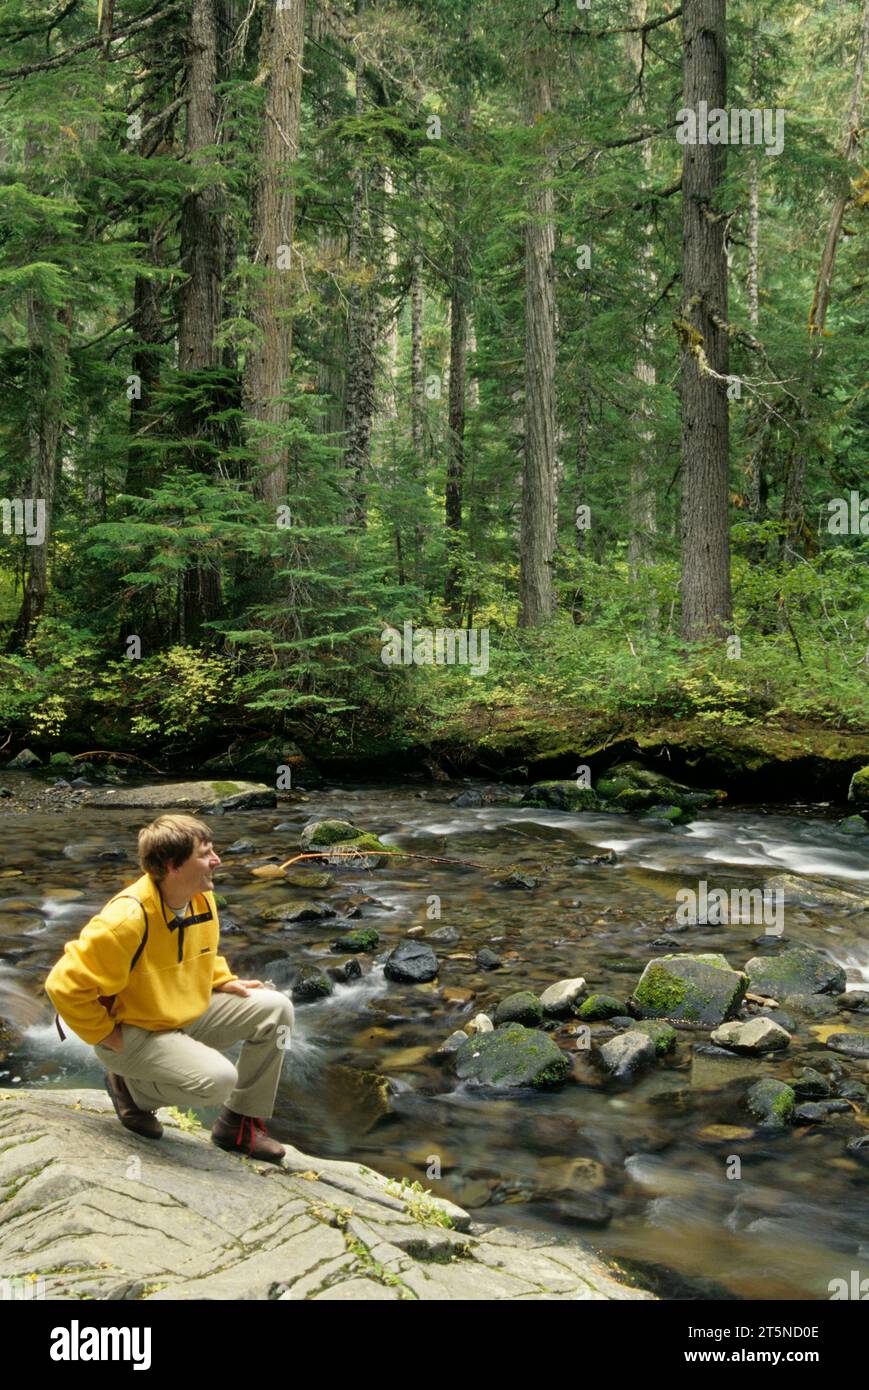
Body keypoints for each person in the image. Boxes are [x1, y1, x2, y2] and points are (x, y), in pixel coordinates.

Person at [44, 813, 294, 1163]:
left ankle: (240, 1124)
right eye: (205, 853)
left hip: (177, 1012)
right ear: (171, 865)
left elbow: (200, 952)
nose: (217, 860)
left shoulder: (199, 898)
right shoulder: (125, 920)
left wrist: (220, 979)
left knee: (276, 1009)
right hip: (132, 1032)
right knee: (220, 1079)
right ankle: (130, 1089)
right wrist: (103, 1034)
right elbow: (62, 985)